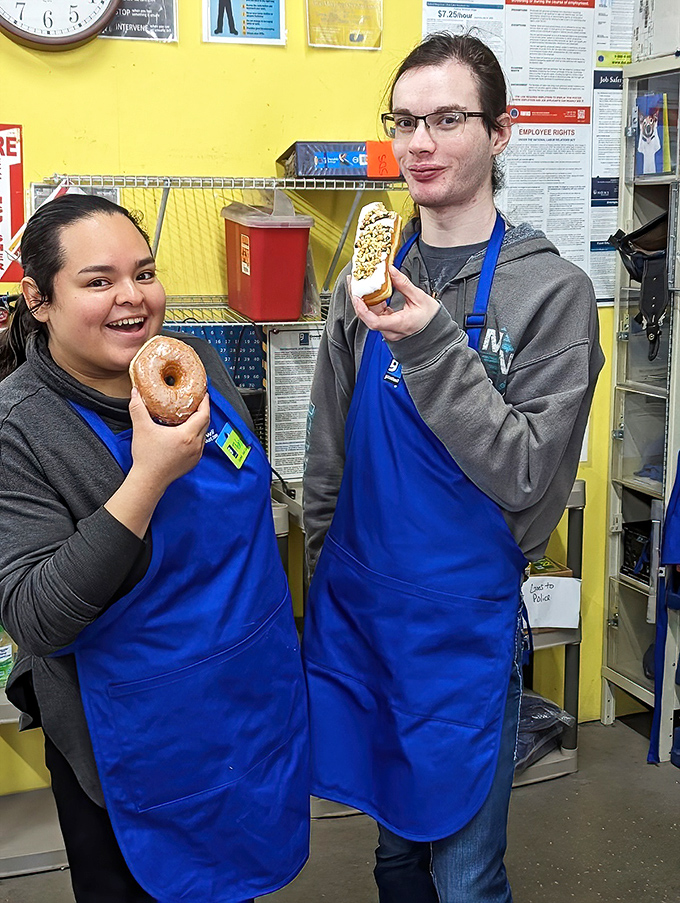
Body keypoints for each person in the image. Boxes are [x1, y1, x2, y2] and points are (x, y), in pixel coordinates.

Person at [302, 31, 604, 903]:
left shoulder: (548, 294)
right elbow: (330, 446)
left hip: (460, 631)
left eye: (446, 118)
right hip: (365, 614)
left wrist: (435, 342)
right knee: (395, 857)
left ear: (500, 132)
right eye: (403, 121)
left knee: (466, 875)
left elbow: (526, 478)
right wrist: (328, 574)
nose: (418, 143)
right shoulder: (365, 273)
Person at [0, 194, 309, 903]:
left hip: (245, 707)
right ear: (40, 299)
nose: (133, 298)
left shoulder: (196, 362)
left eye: (144, 273)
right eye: (99, 280)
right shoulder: (19, 427)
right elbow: (38, 618)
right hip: (135, 744)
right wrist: (148, 477)